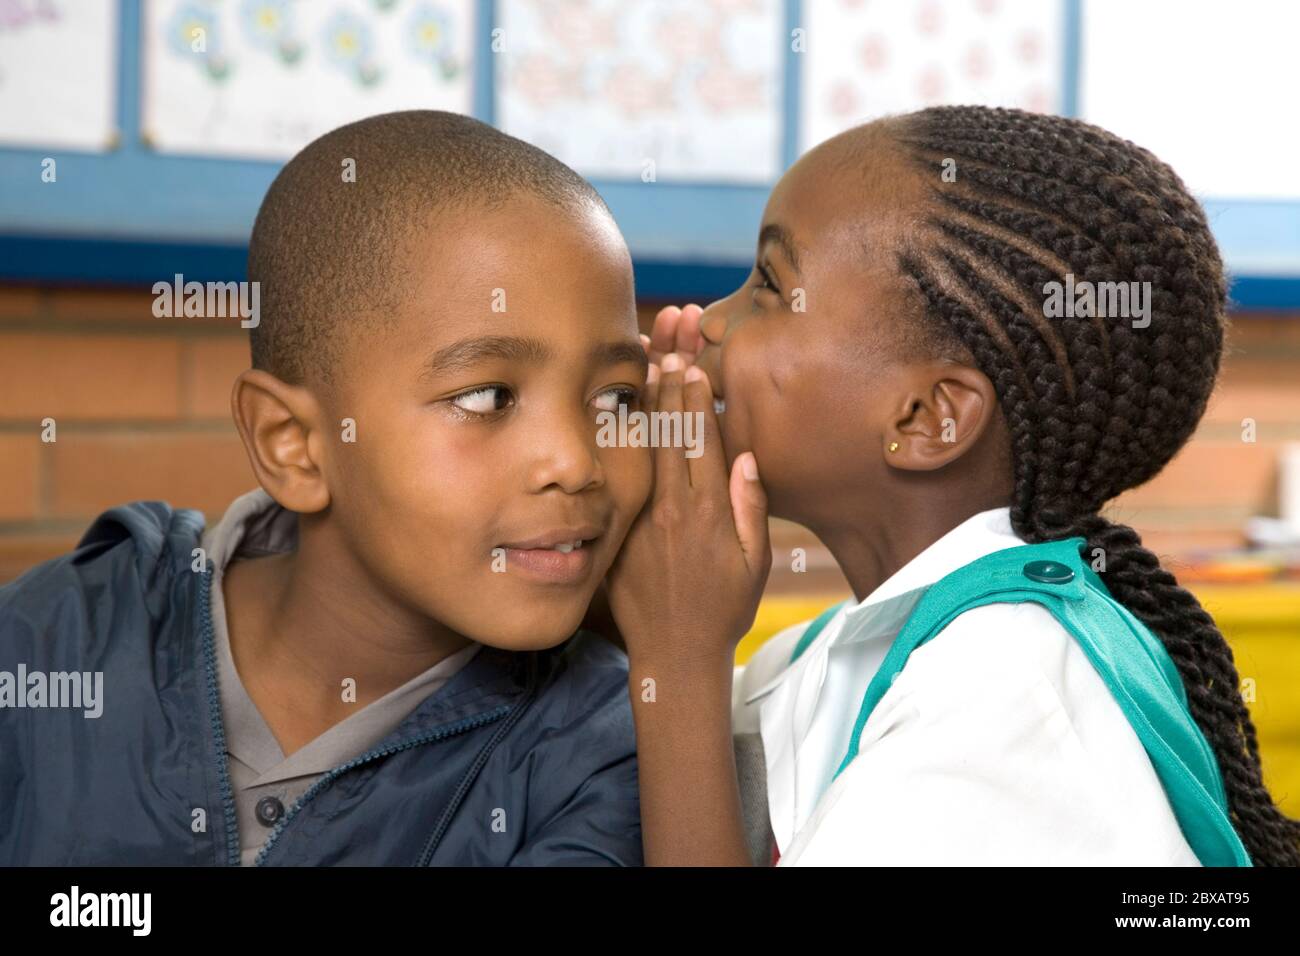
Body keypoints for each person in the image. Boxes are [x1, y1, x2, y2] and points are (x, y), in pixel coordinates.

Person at [609, 106, 1299, 866]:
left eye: (769, 286)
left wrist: (678, 659)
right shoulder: (856, 646)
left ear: (928, 417)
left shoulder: (1006, 696)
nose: (704, 323)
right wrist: (630, 527)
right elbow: (651, 767)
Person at [0, 111, 650, 866]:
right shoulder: (54, 643)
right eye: (486, 398)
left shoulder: (600, 751)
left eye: (615, 402)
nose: (576, 462)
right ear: (295, 445)